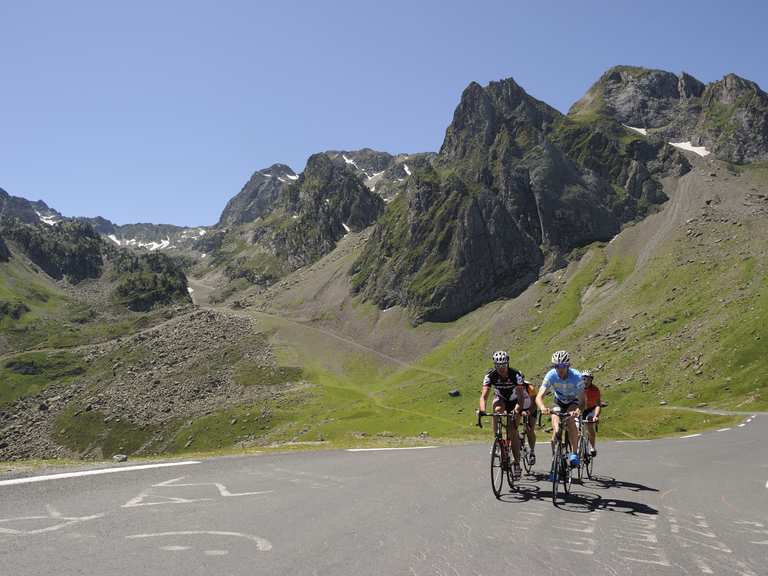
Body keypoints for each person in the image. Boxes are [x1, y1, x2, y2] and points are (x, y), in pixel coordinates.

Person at [478, 351, 525, 479]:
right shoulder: (490, 375)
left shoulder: (515, 374)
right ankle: (497, 439)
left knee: (512, 430)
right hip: (502, 399)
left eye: (504, 365)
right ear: (495, 366)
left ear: (507, 363)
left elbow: (521, 397)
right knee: (496, 408)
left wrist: (517, 409)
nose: (501, 369)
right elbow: (484, 396)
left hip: (516, 401)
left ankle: (516, 462)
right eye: (498, 366)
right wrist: (482, 410)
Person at [535, 350, 585, 467]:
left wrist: (578, 410)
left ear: (568, 366)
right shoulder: (551, 375)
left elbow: (583, 400)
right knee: (556, 431)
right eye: (556, 366)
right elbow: (539, 397)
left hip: (573, 402)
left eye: (562, 366)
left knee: (570, 421)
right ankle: (555, 460)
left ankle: (574, 453)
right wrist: (542, 407)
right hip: (558, 402)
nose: (559, 369)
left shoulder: (577, 377)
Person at [581, 370, 601, 457]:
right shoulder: (577, 388)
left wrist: (596, 416)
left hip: (590, 409)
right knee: (575, 427)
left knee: (589, 425)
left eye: (588, 379)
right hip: (579, 410)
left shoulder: (595, 390)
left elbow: (598, 405)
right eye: (584, 379)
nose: (586, 381)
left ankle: (592, 447)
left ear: (591, 380)